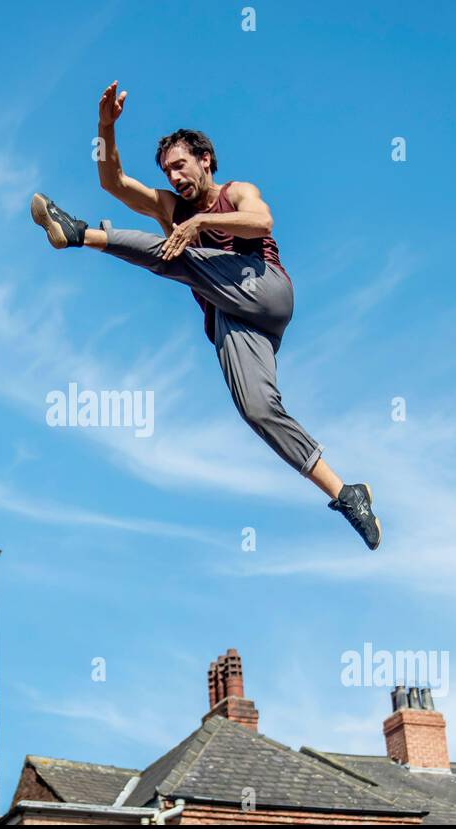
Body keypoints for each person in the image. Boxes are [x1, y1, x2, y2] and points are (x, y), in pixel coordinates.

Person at [29, 81, 381, 549]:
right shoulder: (170, 206)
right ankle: (347, 492)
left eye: (180, 166)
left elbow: (262, 221)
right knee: (255, 408)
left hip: (265, 289)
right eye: (167, 171)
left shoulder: (236, 191)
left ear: (205, 160)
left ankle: (80, 234)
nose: (174, 177)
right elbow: (114, 183)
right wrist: (105, 129)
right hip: (232, 319)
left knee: (178, 256)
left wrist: (199, 222)